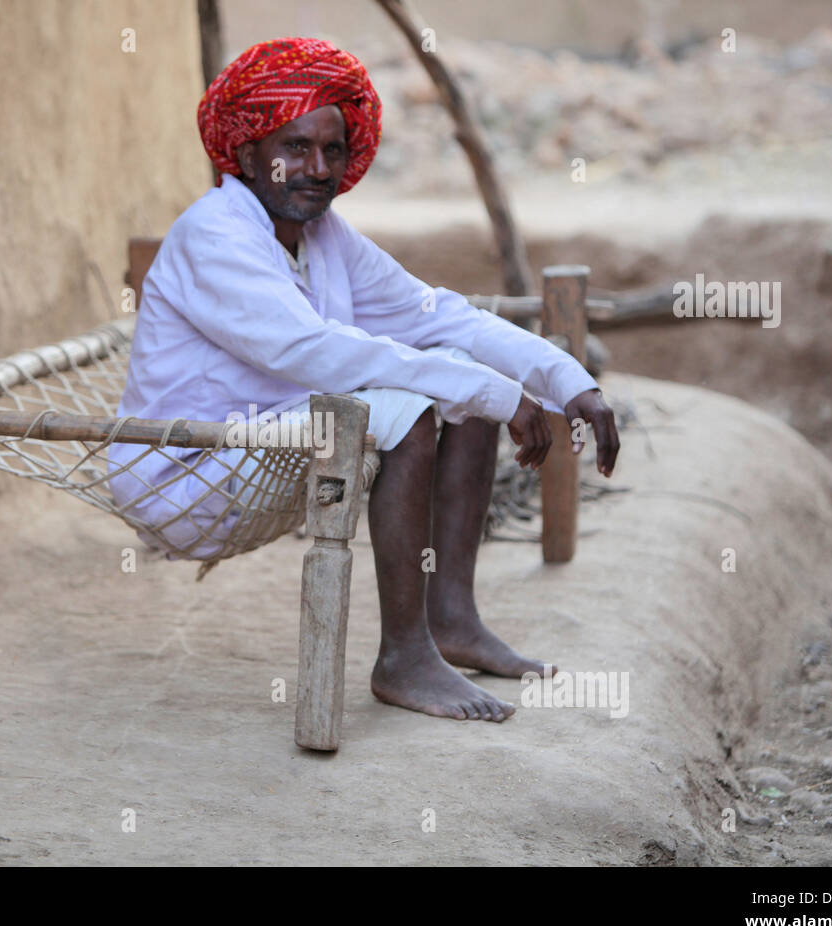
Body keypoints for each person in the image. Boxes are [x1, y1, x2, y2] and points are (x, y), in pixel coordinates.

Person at [112, 37, 620, 723]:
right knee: (411, 406)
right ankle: (403, 659)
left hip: (267, 448)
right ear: (250, 151)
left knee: (459, 374)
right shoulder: (215, 235)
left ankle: (451, 621)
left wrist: (568, 381)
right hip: (185, 471)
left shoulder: (324, 237)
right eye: (295, 147)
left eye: (333, 151)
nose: (316, 169)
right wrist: (493, 394)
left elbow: (437, 314)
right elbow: (313, 352)